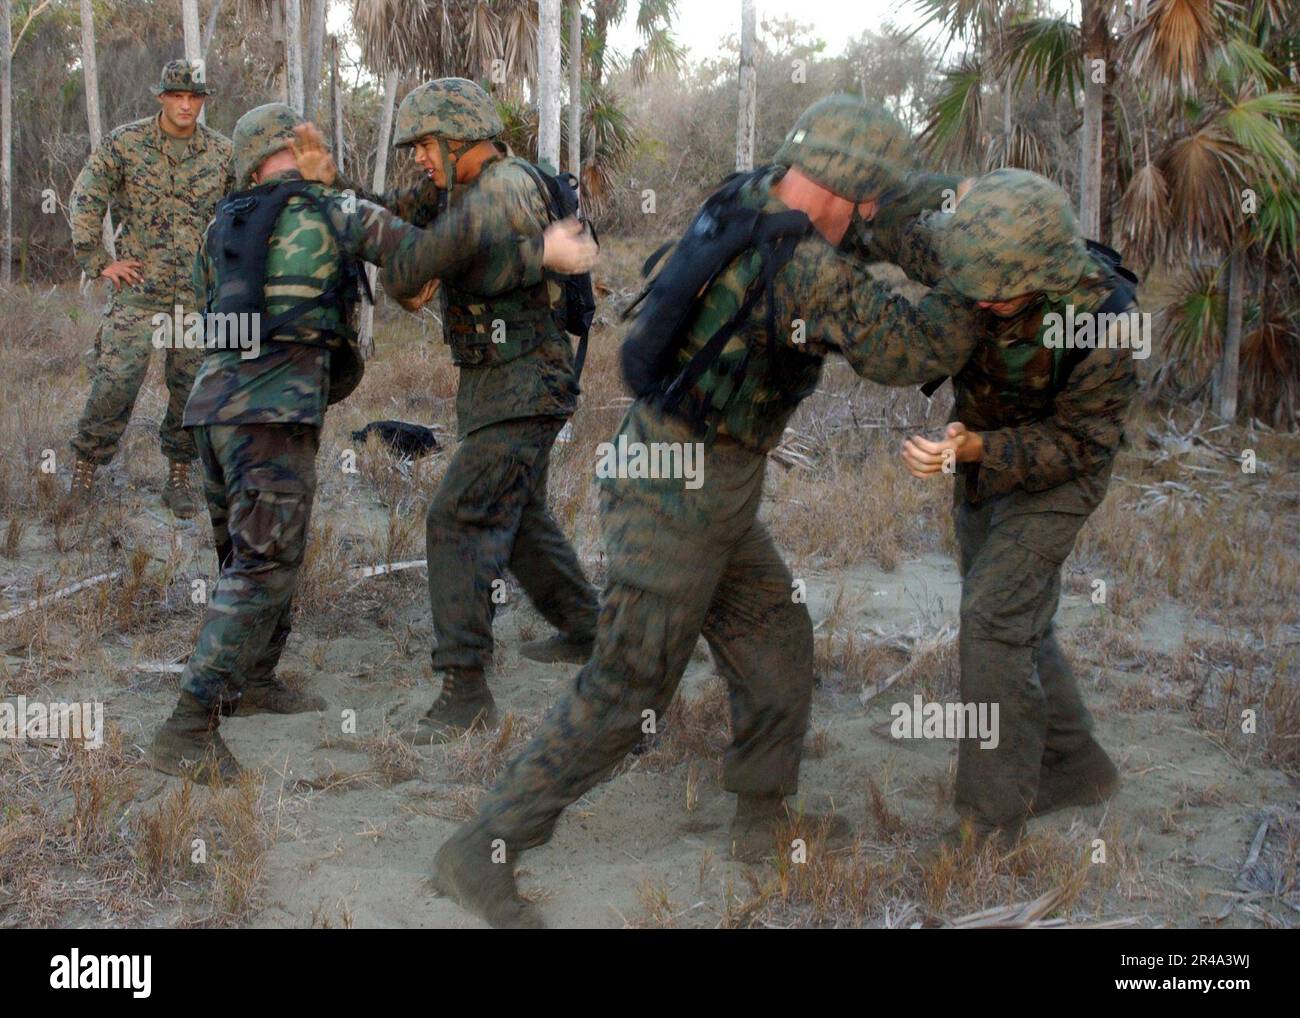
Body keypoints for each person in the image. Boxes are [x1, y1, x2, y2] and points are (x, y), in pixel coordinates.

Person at [428, 96, 988, 927]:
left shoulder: (757, 193)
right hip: (676, 495)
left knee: (774, 634)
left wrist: (962, 204)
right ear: (844, 187)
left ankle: (763, 819)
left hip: (700, 474)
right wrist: (983, 275)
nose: (872, 213)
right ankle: (483, 848)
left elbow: (879, 220)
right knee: (628, 693)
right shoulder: (805, 271)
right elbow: (915, 348)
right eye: (867, 197)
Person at [149, 103, 598, 783]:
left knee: (249, 557)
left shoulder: (223, 224)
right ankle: (188, 726)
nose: (418, 158)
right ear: (291, 151)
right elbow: (412, 257)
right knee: (263, 568)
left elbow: (201, 305)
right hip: (275, 412)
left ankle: (257, 682)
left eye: (424, 145)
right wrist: (540, 253)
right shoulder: (331, 210)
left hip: (210, 410)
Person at [301, 77, 601, 745]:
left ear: (458, 138)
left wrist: (413, 261)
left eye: (426, 146)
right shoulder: (455, 191)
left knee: (455, 518)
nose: (419, 159)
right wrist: (337, 184)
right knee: (520, 521)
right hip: (500, 386)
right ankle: (593, 632)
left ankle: (465, 689)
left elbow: (427, 266)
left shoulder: (501, 189)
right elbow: (396, 221)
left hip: (525, 385)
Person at [891, 168, 1136, 851]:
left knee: (994, 615)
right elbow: (891, 225)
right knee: (1015, 616)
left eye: (1001, 292)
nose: (983, 299)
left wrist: (976, 450)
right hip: (979, 455)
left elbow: (1080, 444)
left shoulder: (1107, 321)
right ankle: (1077, 765)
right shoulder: (969, 250)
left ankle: (991, 818)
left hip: (1060, 472)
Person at [67, 60, 234, 517]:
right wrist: (99, 261)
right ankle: (85, 468)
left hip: (196, 297)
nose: (186, 105)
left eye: (194, 97)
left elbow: (243, 213)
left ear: (202, 100)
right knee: (115, 382)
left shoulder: (222, 154)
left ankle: (179, 475)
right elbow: (85, 196)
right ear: (161, 97)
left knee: (190, 388)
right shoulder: (126, 143)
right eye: (177, 96)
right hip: (140, 291)